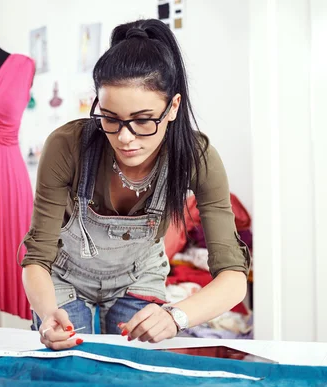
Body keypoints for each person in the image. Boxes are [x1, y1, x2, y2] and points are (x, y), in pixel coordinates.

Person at [19, 19, 251, 350]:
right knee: (71, 365)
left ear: (172, 108)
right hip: (64, 277)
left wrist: (175, 316)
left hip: (138, 277)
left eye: (142, 120)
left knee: (136, 367)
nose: (125, 138)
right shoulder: (66, 145)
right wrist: (47, 314)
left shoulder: (197, 157)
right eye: (110, 118)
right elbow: (37, 258)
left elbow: (233, 278)